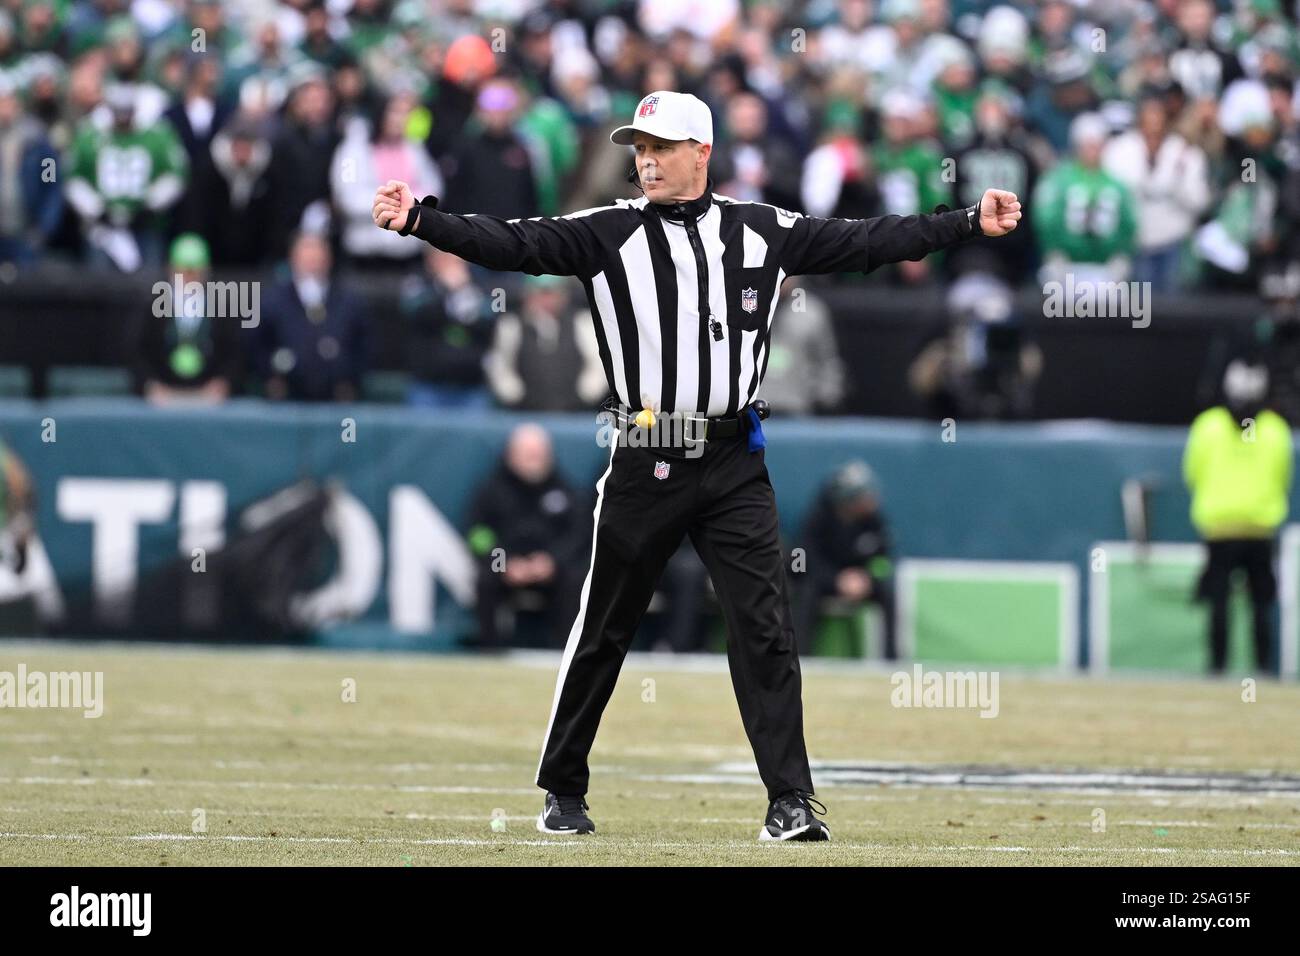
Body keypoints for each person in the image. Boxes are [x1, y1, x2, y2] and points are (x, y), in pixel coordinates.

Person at [372, 89, 1022, 842]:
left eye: (661, 146)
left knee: (765, 627)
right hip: (646, 450)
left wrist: (967, 220)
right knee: (606, 625)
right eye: (638, 148)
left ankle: (789, 800)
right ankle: (563, 786)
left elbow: (869, 240)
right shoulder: (606, 231)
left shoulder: (763, 229)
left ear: (701, 153)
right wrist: (422, 219)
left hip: (733, 456)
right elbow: (516, 242)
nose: (645, 159)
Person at [1183, 360, 1292, 675]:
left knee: (1219, 600)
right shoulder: (1274, 429)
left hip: (1220, 527)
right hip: (1260, 528)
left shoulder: (1208, 426)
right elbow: (1283, 476)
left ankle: (1218, 668)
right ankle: (1263, 670)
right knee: (1261, 602)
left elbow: (1192, 473)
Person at [793, 460, 897, 660]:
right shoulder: (818, 520)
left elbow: (884, 561)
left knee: (887, 591)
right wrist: (837, 580)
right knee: (806, 591)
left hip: (860, 580)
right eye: (863, 495)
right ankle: (801, 656)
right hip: (826, 580)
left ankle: (890, 657)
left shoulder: (874, 521)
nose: (870, 499)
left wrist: (866, 577)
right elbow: (804, 561)